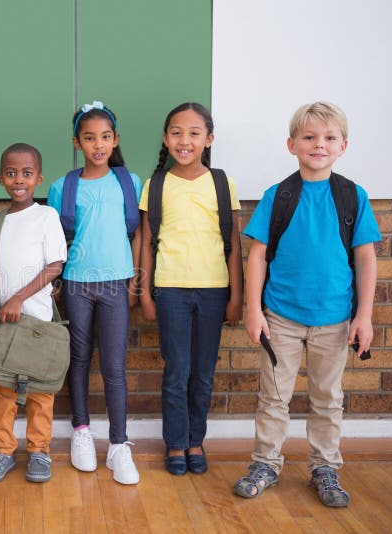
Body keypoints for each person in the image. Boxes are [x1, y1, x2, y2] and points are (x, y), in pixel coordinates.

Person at [233, 102, 380, 507]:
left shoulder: (352, 196)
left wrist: (363, 317)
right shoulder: (279, 195)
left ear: (343, 146)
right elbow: (258, 255)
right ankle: (266, 463)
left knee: (328, 398)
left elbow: (366, 257)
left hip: (335, 320)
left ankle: (325, 467)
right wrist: (253, 309)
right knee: (274, 397)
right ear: (292, 144)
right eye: (309, 137)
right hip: (280, 317)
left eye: (329, 138)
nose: (319, 145)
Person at [139, 102, 243, 476]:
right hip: (171, 291)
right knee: (176, 370)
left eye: (194, 133)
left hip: (214, 291)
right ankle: (176, 444)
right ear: (166, 139)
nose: (185, 140)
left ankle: (196, 440)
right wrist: (146, 294)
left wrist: (236, 295)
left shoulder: (220, 182)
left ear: (208, 139)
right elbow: (148, 240)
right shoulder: (157, 184)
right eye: (177, 133)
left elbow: (231, 240)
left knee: (202, 372)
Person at [47, 101, 143, 485]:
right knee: (79, 360)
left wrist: (136, 277)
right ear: (76, 142)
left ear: (115, 139)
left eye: (105, 137)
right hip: (75, 284)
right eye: (89, 138)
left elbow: (137, 232)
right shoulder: (62, 187)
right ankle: (81, 432)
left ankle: (118, 445)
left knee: (115, 367)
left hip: (116, 284)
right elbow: (55, 240)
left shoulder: (130, 182)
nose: (98, 145)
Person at [0, 143, 67, 484]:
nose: (19, 180)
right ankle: (2, 451)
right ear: (0, 178)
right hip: (3, 322)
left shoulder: (46, 216)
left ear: (38, 178)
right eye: (11, 173)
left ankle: (39, 451)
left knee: (40, 393)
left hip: (37, 322)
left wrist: (18, 298)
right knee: (2, 389)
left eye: (27, 174)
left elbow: (55, 265)